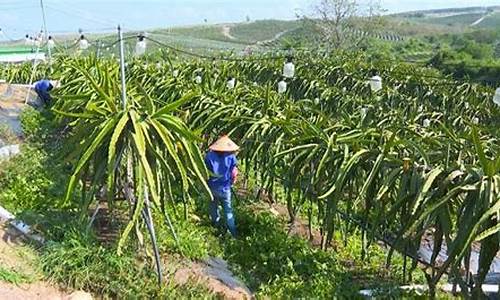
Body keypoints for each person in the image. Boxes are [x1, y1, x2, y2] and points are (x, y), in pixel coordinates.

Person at [204, 135, 239, 237]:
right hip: (225, 188)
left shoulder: (209, 156)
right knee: (228, 211)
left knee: (213, 207)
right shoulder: (231, 156)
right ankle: (233, 233)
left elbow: (204, 171)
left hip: (212, 187)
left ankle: (216, 225)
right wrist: (232, 182)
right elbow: (234, 173)